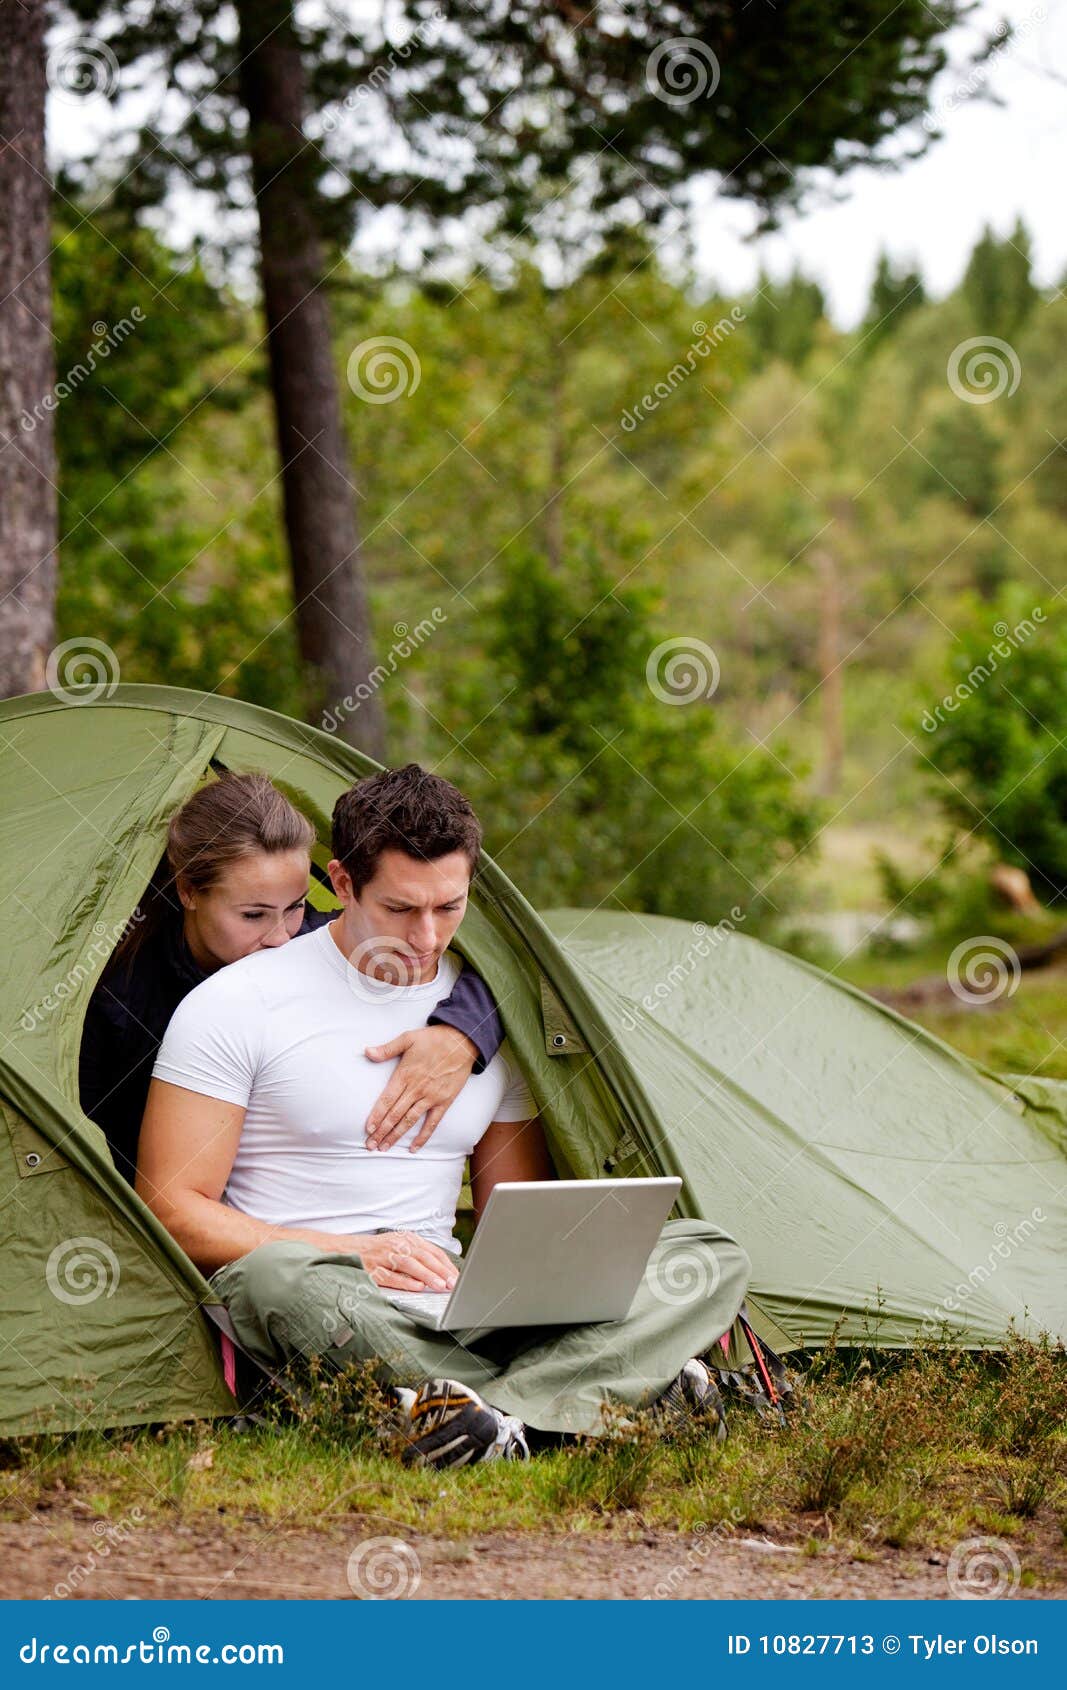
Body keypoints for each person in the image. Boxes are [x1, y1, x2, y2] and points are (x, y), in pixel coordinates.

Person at [136, 765, 751, 1467]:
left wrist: (529, 1281)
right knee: (272, 1279)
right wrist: (351, 1251)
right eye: (399, 909)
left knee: (706, 1251)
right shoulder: (235, 1002)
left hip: (454, 1302)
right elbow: (171, 1209)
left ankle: (483, 1417)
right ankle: (597, 1398)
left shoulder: (491, 1017)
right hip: (324, 1291)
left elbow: (509, 1215)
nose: (427, 937)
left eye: (448, 908)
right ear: (339, 883)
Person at [80, 771, 504, 1184]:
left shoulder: (318, 940)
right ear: (189, 892)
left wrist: (463, 1031)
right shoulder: (118, 998)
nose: (282, 937)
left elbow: (496, 966)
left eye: (296, 906)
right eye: (253, 915)